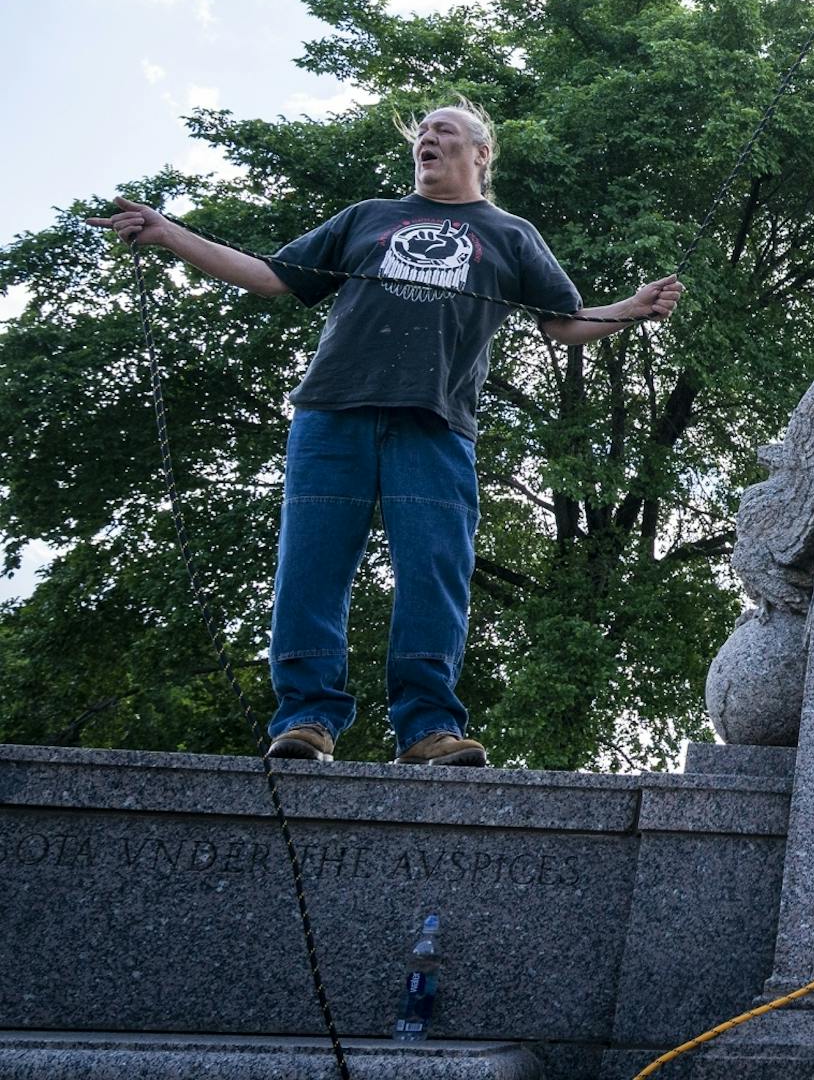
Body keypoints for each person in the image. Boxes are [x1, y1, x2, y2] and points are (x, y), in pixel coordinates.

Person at [89, 100, 682, 767]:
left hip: (435, 425)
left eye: (444, 131)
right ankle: (306, 720)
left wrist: (631, 309)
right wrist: (169, 232)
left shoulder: (510, 234)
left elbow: (564, 321)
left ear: (480, 152)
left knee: (434, 573)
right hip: (332, 413)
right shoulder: (368, 218)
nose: (427, 139)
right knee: (311, 567)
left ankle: (428, 727)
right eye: (421, 133)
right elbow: (267, 276)